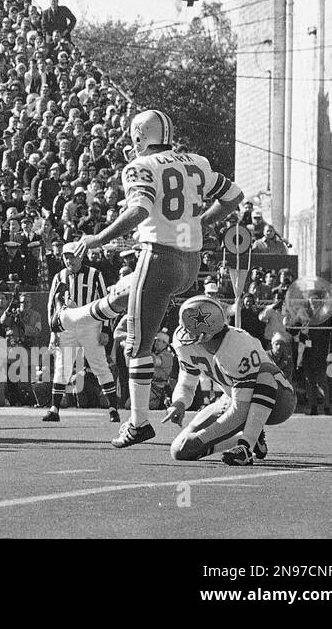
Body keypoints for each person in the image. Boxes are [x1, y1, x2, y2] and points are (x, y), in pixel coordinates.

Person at [61, 110, 244, 448]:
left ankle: (138, 422)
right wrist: (201, 222)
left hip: (159, 256)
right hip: (190, 263)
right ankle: (77, 317)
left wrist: (96, 239)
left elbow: (141, 210)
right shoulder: (197, 162)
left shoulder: (141, 166)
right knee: (124, 291)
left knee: (138, 346)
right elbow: (234, 197)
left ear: (138, 137)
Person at [163, 295, 297, 466]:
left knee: (265, 376)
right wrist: (179, 402)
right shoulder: (186, 342)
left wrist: (204, 438)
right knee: (180, 450)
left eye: (192, 330)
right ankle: (249, 437)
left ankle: (246, 447)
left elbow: (240, 410)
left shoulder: (237, 346)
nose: (185, 333)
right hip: (233, 396)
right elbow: (187, 378)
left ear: (206, 334)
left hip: (279, 400)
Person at [42, 241, 118, 423]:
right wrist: (53, 333)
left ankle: (113, 408)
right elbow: (51, 306)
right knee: (62, 366)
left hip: (90, 326)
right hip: (66, 327)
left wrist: (106, 328)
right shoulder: (59, 276)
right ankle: (54, 409)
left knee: (99, 364)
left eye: (72, 256)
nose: (69, 261)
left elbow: (104, 302)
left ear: (80, 256)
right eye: (66, 257)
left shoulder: (94, 275)